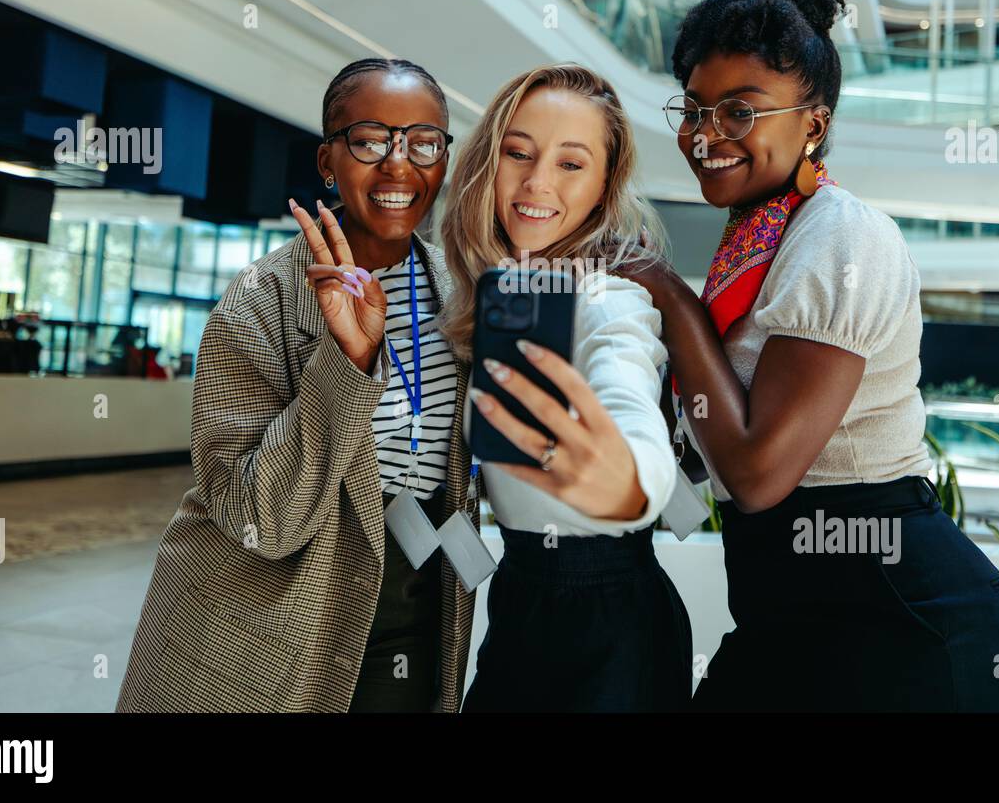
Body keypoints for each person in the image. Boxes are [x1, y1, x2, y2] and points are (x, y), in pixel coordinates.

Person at [622, 0, 999, 711]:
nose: (705, 133)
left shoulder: (842, 236)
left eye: (740, 112)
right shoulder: (758, 239)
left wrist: (665, 291)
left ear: (813, 123)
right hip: (793, 613)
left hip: (903, 627)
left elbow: (757, 472)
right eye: (694, 108)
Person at [117, 57, 478, 712]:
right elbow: (263, 519)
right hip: (271, 627)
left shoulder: (459, 296)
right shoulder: (261, 299)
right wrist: (347, 359)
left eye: (424, 143)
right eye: (369, 140)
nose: (400, 166)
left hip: (417, 615)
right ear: (326, 160)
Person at [439, 63, 692, 712]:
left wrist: (630, 483)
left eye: (571, 164)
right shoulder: (482, 304)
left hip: (610, 622)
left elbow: (631, 403)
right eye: (517, 152)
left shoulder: (609, 301)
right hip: (521, 598)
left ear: (605, 183)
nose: (537, 182)